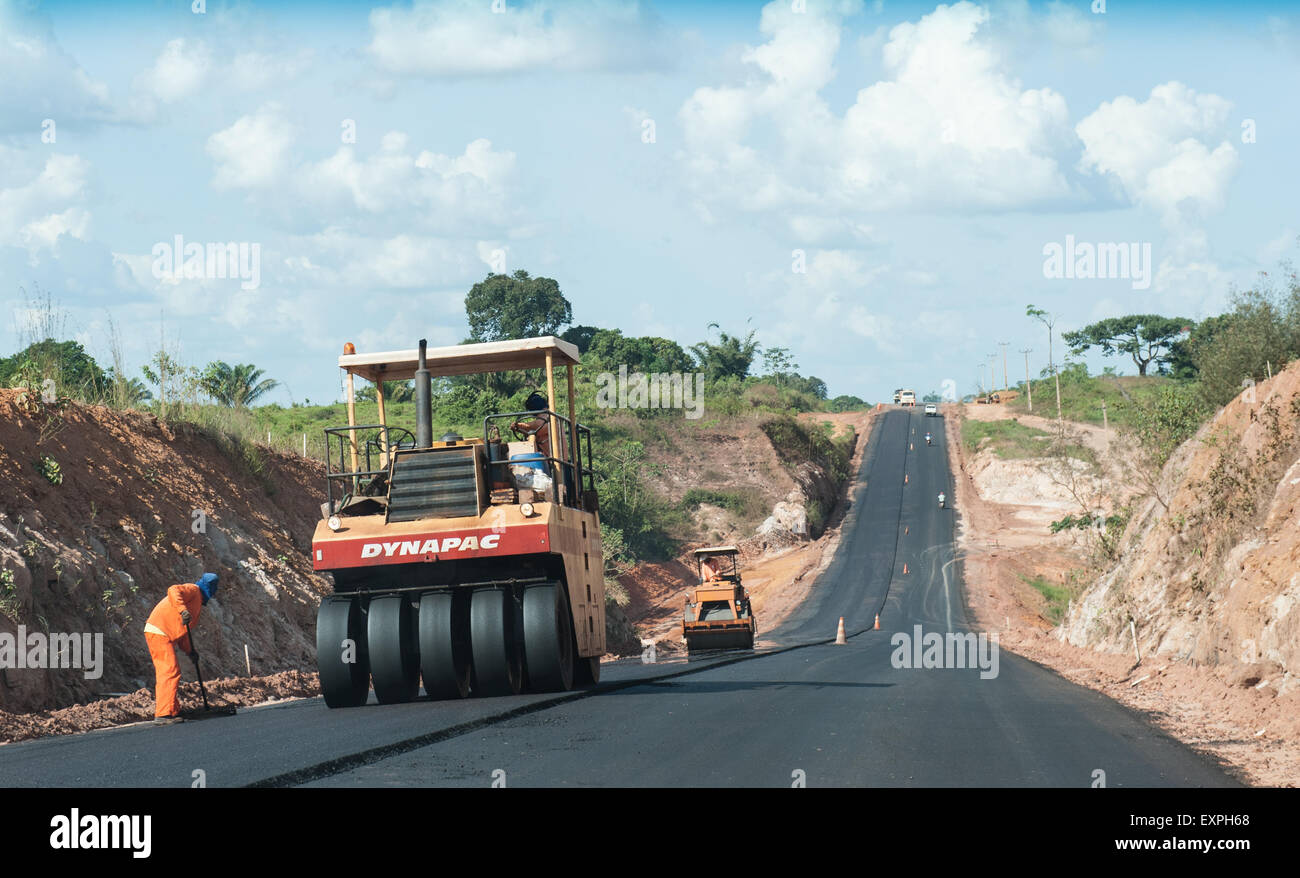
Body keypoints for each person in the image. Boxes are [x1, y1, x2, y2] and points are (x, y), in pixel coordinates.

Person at [144, 573, 218, 724]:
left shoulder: (196, 603)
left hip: (163, 633)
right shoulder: (193, 590)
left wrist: (191, 651)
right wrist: (182, 610)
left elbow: (184, 633)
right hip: (159, 631)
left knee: (172, 670)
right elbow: (173, 590)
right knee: (169, 670)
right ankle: (163, 714)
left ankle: (172, 710)